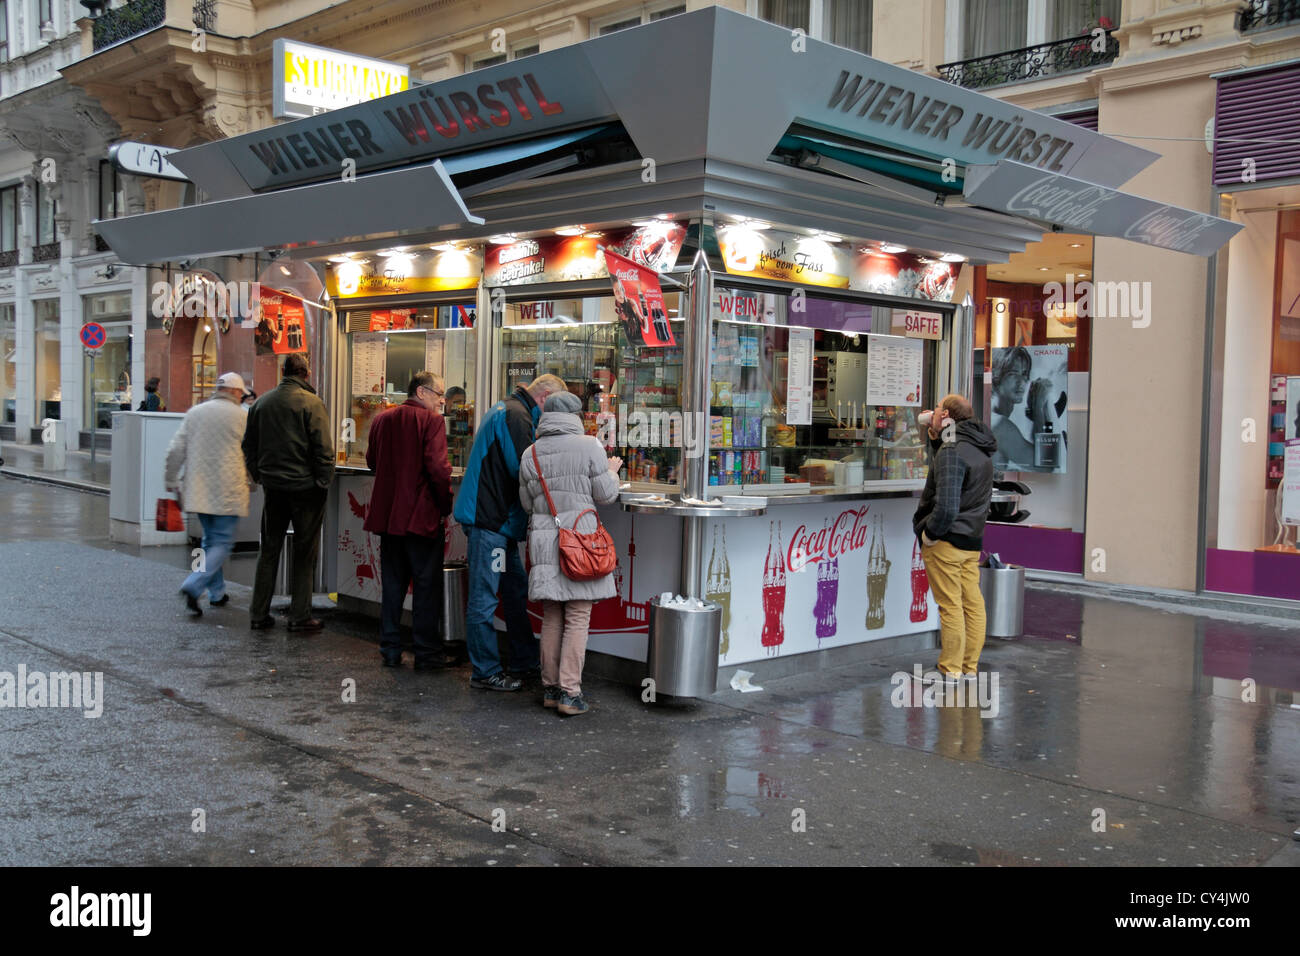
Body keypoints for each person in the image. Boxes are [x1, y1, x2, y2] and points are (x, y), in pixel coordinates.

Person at [453, 373, 567, 691]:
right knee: (484, 599)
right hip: (490, 523)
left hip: (497, 523)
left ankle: (523, 661)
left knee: (514, 591)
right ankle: (485, 671)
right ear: (544, 398)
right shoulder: (516, 416)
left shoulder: (510, 409)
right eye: (553, 410)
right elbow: (525, 470)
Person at [518, 391, 622, 716]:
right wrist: (613, 470)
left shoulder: (530, 453)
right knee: (577, 616)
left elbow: (526, 504)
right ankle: (569, 693)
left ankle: (549, 689)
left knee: (551, 615)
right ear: (576, 415)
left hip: (545, 543)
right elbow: (605, 494)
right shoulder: (590, 446)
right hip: (579, 543)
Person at [365, 371, 459, 670]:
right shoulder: (431, 422)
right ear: (420, 391)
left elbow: (371, 461)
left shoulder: (382, 419)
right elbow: (438, 469)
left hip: (389, 517)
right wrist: (445, 506)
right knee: (425, 587)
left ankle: (390, 649)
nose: (442, 399)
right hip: (421, 517)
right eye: (437, 392)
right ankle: (426, 652)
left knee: (392, 586)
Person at [242, 353, 335, 632]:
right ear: (306, 374)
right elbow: (324, 450)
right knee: (304, 553)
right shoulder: (311, 403)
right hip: (306, 490)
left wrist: (260, 475)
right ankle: (299, 616)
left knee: (269, 550)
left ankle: (258, 613)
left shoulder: (262, 403)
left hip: (274, 489)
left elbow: (249, 446)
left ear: (284, 372)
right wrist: (323, 481)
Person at [912, 394, 997, 683]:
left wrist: (929, 533)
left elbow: (947, 503)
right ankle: (968, 668)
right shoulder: (978, 446)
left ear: (946, 413)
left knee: (950, 607)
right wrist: (937, 437)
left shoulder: (952, 450)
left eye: (936, 409)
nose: (932, 412)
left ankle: (950, 670)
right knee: (972, 604)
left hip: (947, 540)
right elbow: (955, 474)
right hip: (971, 539)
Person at [164, 372, 253, 616]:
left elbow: (175, 450)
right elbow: (252, 454)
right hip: (228, 490)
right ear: (236, 392)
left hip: (199, 490)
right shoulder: (243, 417)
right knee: (223, 543)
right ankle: (193, 586)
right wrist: (253, 480)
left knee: (210, 541)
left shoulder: (196, 413)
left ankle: (217, 593)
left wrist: (170, 480)